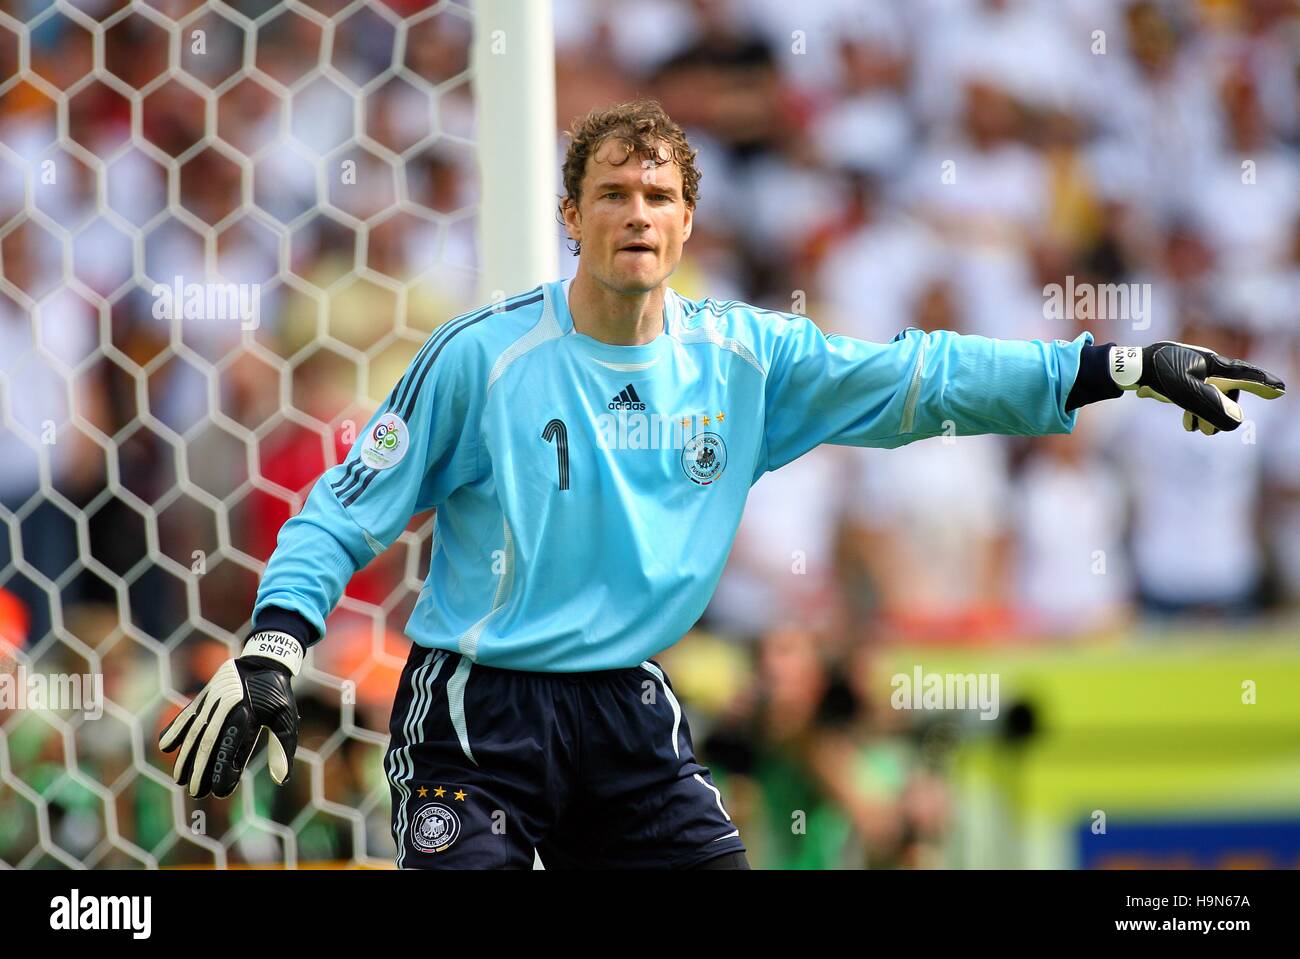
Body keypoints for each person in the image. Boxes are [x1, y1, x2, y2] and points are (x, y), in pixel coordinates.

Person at [158, 99, 1285, 870]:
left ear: (688, 219)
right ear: (572, 217)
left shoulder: (746, 359)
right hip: (477, 708)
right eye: (610, 193)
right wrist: (272, 642)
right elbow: (346, 503)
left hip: (628, 706)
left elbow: (918, 374)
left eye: (656, 195)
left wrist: (1113, 365)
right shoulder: (482, 357)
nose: (635, 214)